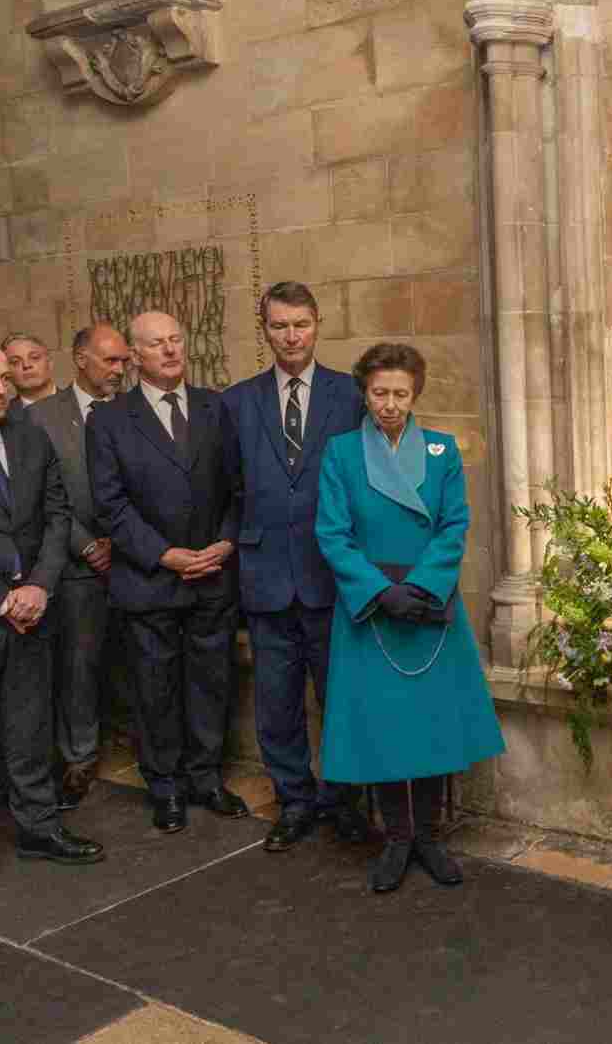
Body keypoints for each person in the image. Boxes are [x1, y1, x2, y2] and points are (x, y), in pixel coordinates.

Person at [315, 342, 504, 893]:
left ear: (415, 393)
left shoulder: (443, 452)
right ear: (365, 394)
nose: (390, 404)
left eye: (400, 393)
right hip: (372, 608)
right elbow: (332, 534)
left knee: (430, 724)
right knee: (384, 725)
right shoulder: (341, 453)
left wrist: (421, 587)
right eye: (380, 393)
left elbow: (454, 526)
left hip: (429, 604)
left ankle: (430, 837)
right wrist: (380, 592)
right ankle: (397, 838)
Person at [87, 310, 247, 834]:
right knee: (154, 689)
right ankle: (166, 787)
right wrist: (164, 555)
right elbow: (110, 506)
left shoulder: (216, 407)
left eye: (176, 339)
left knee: (211, 682)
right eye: (157, 343)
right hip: (150, 579)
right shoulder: (110, 419)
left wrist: (225, 542)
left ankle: (205, 778)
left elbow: (238, 488)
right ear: (135, 356)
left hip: (212, 575)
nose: (171, 349)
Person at [222, 283, 368, 852]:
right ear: (265, 330)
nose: (291, 336)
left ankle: (344, 803)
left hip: (331, 576)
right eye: (279, 325)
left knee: (341, 700)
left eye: (300, 324)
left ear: (317, 324)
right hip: (265, 576)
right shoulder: (237, 402)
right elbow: (227, 487)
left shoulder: (350, 395)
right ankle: (294, 802)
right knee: (277, 704)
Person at [0, 346, 103, 864]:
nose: (3, 388)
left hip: (31, 605)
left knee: (29, 725)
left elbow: (57, 513)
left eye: (3, 377)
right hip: (6, 601)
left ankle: (38, 828)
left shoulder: (27, 432)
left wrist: (39, 585)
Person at [28, 324, 130, 810]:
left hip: (135, 557)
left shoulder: (133, 410)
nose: (119, 370)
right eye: (110, 360)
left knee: (138, 665)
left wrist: (124, 541)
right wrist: (87, 545)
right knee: (79, 667)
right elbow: (40, 496)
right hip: (75, 566)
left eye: (124, 360)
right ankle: (79, 759)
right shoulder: (41, 417)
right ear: (81, 359)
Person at [2, 332, 58, 408]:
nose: (26, 365)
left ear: (50, 362)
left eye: (34, 357)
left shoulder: (74, 400)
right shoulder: (3, 413)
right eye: (15, 362)